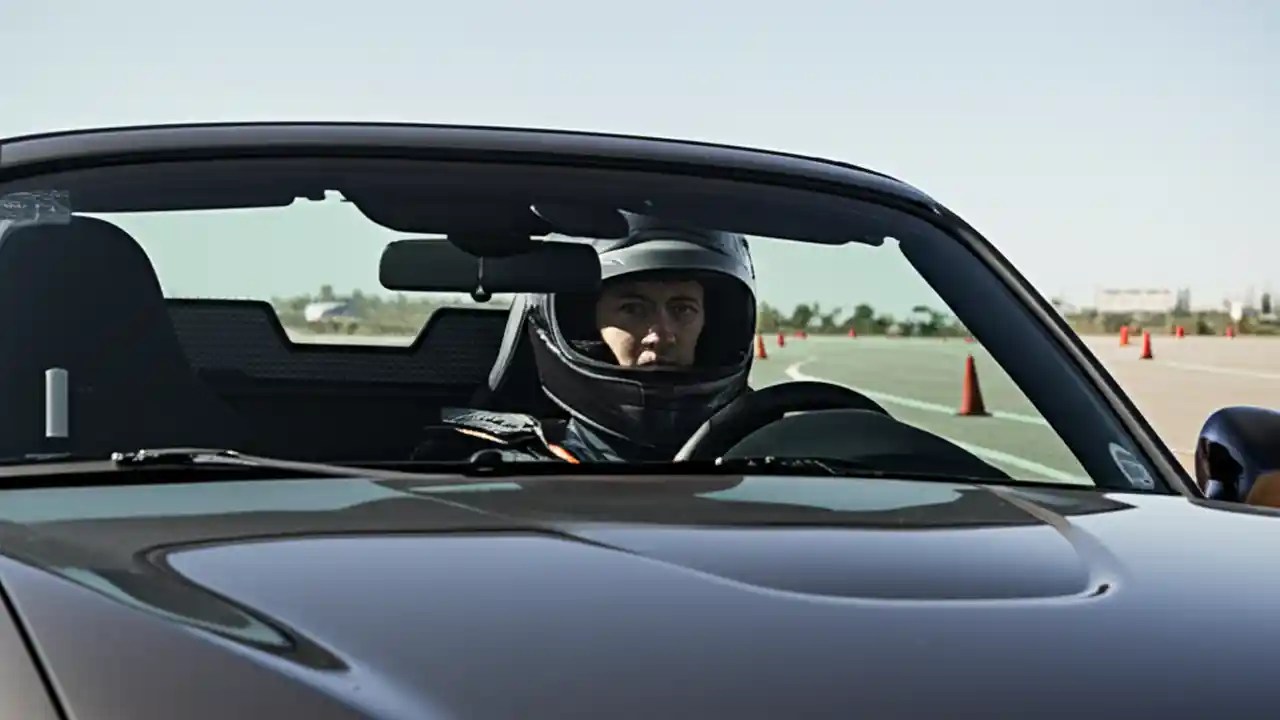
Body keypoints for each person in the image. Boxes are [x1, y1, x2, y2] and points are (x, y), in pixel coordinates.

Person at [413, 213, 758, 463]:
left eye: (682, 310)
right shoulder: (487, 466)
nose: (661, 335)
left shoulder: (765, 450)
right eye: (633, 309)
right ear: (587, 324)